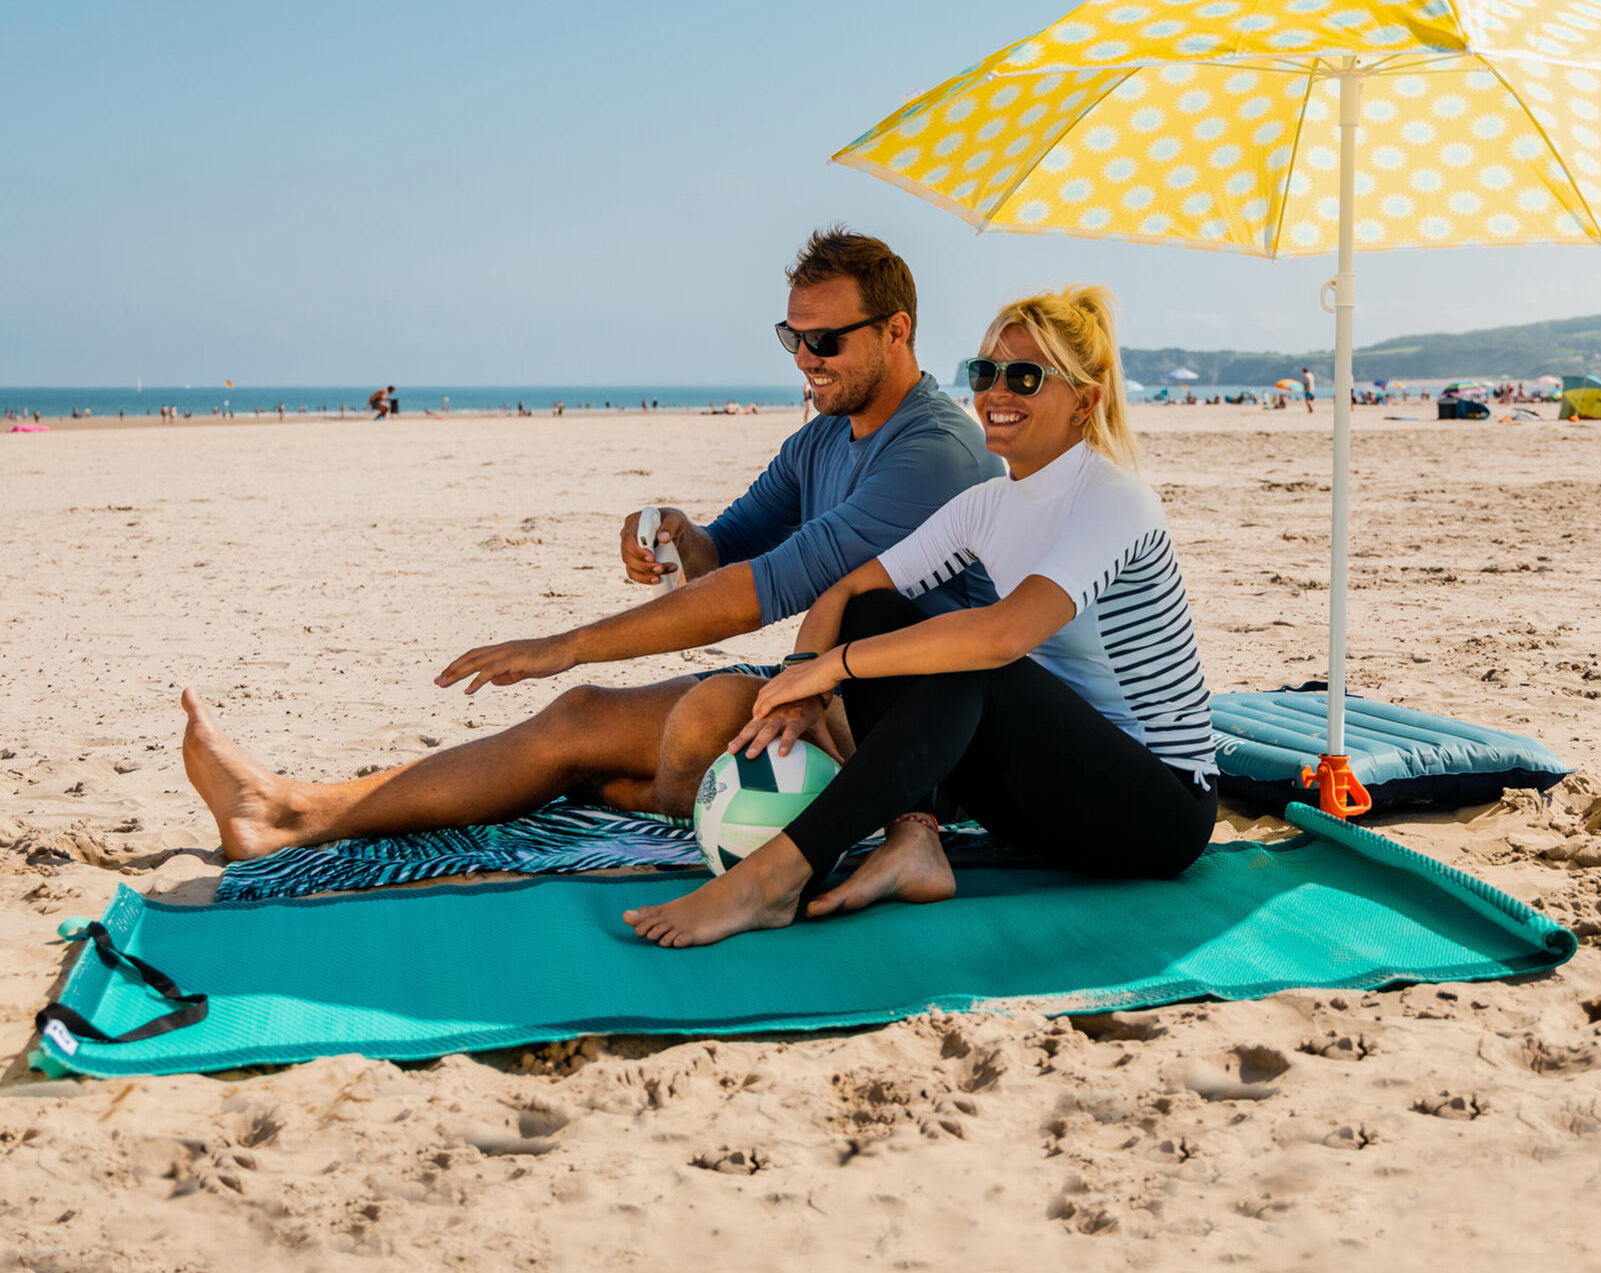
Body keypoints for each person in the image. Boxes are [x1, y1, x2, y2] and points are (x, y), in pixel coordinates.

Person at [176, 229, 1001, 848]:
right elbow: (727, 553)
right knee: (576, 719)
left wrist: (565, 642)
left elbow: (760, 592)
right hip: (826, 693)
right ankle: (284, 813)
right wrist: (674, 535)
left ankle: (645, 793)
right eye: (792, 338)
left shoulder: (932, 451)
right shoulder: (823, 436)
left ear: (897, 332)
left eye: (826, 340)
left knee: (702, 712)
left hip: (928, 743)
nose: (805, 360)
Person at [627, 285, 1216, 949]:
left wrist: (837, 666)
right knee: (876, 610)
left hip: (1157, 811)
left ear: (1083, 401)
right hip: (1040, 804)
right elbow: (845, 594)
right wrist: (801, 685)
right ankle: (915, 842)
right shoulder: (988, 504)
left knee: (978, 666)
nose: (998, 392)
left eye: (1025, 377)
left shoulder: (1115, 500)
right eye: (985, 372)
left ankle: (774, 877)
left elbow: (1005, 635)